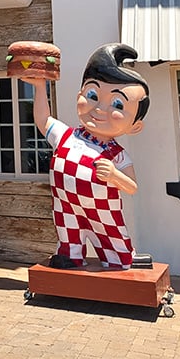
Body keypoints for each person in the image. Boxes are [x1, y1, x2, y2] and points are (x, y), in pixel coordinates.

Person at [31, 43, 150, 269]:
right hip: (66, 205)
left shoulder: (117, 154)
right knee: (68, 231)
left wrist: (115, 175)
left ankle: (121, 258)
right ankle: (69, 254)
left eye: (117, 104)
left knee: (111, 234)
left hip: (103, 210)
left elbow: (132, 186)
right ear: (80, 95)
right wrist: (39, 87)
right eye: (93, 94)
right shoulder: (66, 135)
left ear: (135, 126)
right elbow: (43, 120)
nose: (99, 108)